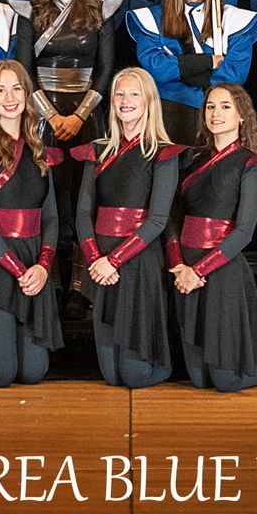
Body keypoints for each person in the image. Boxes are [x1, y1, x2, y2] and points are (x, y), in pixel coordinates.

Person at [77, 68, 181, 388]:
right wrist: (96, 258)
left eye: (134, 93)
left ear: (149, 101)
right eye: (120, 94)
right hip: (100, 261)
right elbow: (83, 213)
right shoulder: (98, 149)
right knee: (111, 376)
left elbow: (158, 220)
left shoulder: (163, 152)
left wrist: (114, 260)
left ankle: (164, 364)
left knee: (135, 376)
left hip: (137, 260)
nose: (126, 100)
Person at [0, 60, 61, 387]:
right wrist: (19, 271)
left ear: (27, 95)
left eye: (16, 88)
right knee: (0, 374)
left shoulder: (41, 152)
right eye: (0, 89)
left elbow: (50, 217)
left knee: (32, 373)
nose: (9, 96)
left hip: (34, 263)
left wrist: (43, 266)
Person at [168, 84, 257, 392]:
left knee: (226, 381)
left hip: (222, 269)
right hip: (184, 270)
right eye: (211, 107)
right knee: (199, 380)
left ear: (242, 115)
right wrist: (179, 266)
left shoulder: (251, 163)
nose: (216, 113)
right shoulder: (189, 158)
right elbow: (173, 217)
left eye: (225, 107)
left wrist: (199, 271)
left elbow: (244, 231)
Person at [131, 0, 257, 144]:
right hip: (168, 110)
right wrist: (209, 61)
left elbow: (235, 74)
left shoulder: (235, 19)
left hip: (216, 114)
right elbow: (158, 69)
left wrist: (182, 69)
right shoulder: (151, 18)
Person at [30, 0, 122, 151]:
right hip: (42, 112)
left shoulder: (102, 12)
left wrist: (80, 116)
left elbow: (106, 68)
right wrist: (51, 116)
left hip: (87, 111)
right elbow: (24, 69)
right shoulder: (29, 12)